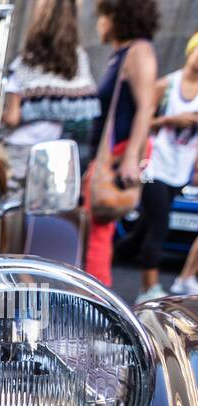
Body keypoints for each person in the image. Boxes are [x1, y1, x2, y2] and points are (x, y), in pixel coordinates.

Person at [83, 0, 159, 287]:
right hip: (109, 155)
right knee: (95, 231)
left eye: (102, 17)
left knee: (98, 236)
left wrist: (130, 159)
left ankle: (96, 298)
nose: (99, 24)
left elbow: (145, 108)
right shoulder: (123, 53)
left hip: (118, 155)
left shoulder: (139, 51)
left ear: (117, 16)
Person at [0, 0, 100, 188]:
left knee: (16, 204)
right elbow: (86, 108)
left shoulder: (26, 62)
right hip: (57, 149)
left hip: (22, 147)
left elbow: (12, 118)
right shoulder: (78, 61)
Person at [145, 33, 198, 297]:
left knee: (146, 226)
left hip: (181, 171)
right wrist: (172, 119)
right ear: (190, 51)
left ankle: (119, 254)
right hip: (154, 165)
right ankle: (150, 287)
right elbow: (143, 122)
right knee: (159, 224)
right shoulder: (165, 85)